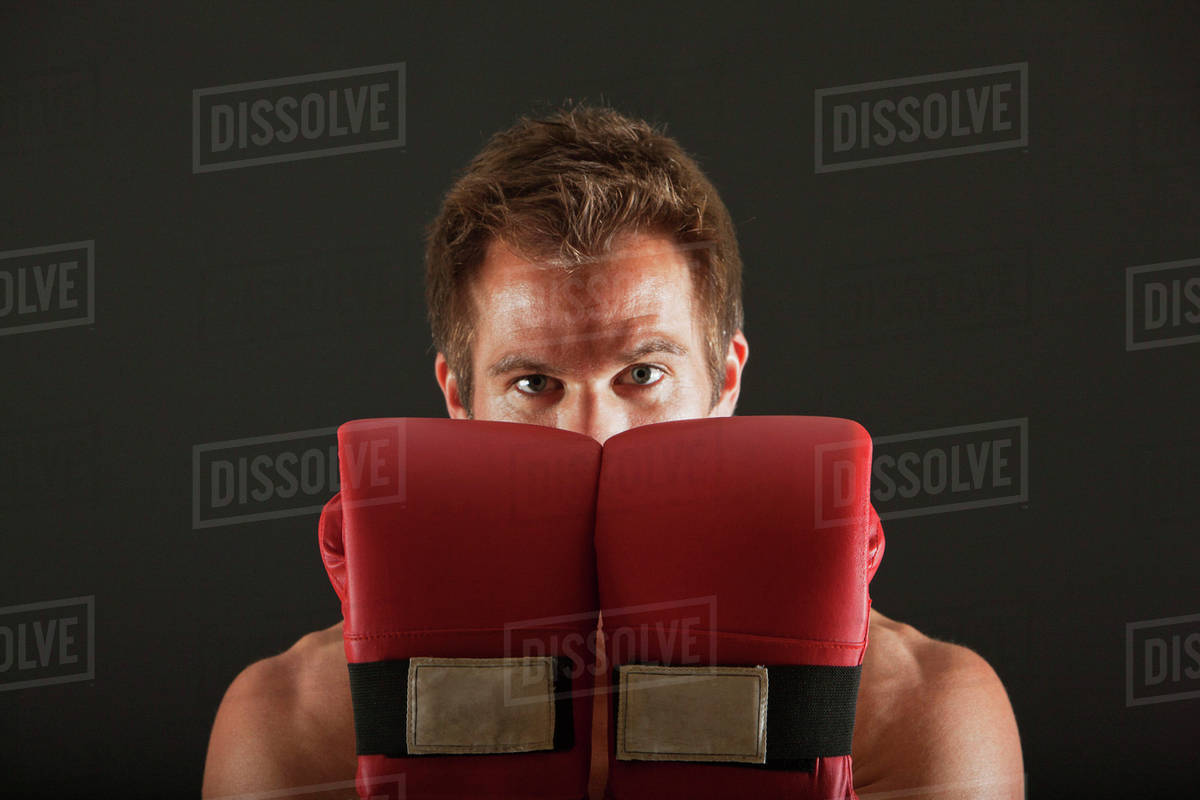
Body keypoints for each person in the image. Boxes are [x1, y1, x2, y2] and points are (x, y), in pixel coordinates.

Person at [202, 103, 1024, 799]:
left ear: (725, 383)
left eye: (642, 372)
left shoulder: (911, 711)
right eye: (533, 384)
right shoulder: (297, 724)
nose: (593, 437)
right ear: (458, 400)